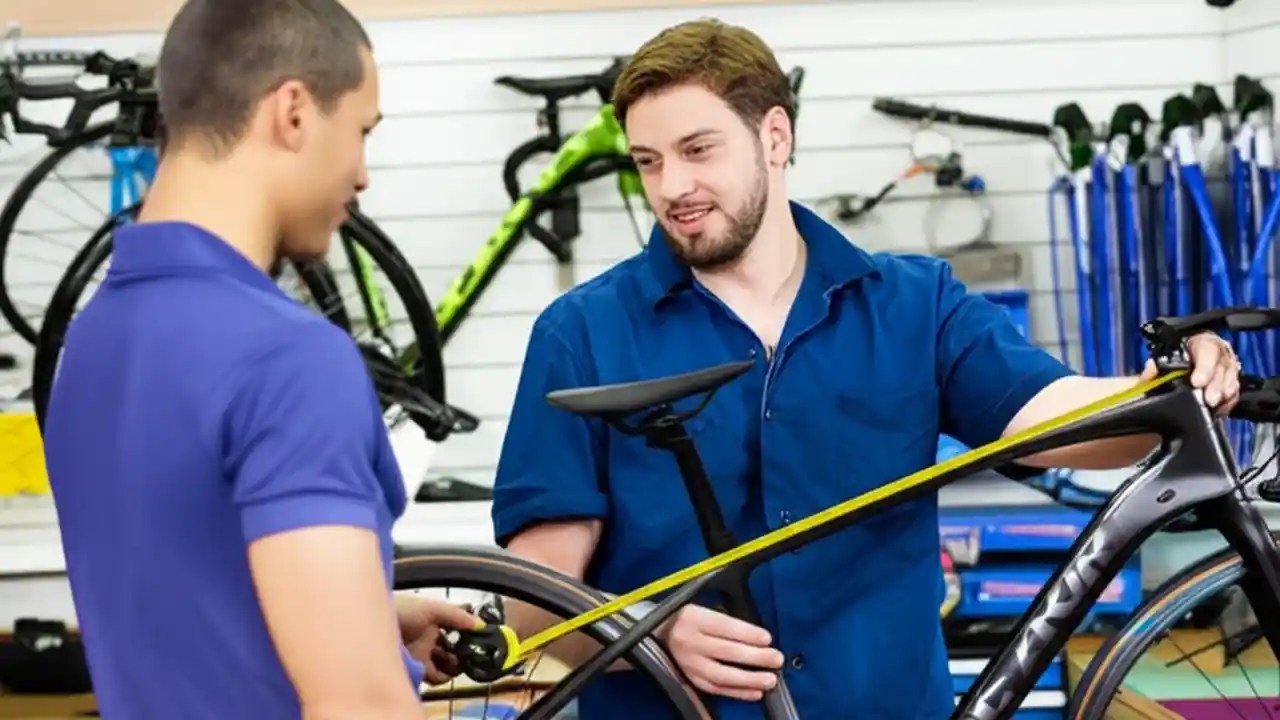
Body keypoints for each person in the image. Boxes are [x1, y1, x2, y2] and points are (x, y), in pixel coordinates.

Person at [489, 18, 1242, 720]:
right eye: (648, 162)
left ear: (774, 136)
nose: (671, 187)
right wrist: (646, 636)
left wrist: (1174, 385)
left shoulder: (915, 303)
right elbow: (532, 604)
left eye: (698, 150)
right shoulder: (581, 331)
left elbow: (1058, 420)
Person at [41, 1, 479, 718]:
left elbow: (179, 601)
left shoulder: (92, 341)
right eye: (362, 132)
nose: (362, 174)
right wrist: (364, 670)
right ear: (294, 112)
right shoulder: (291, 357)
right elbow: (358, 707)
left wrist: (365, 621)